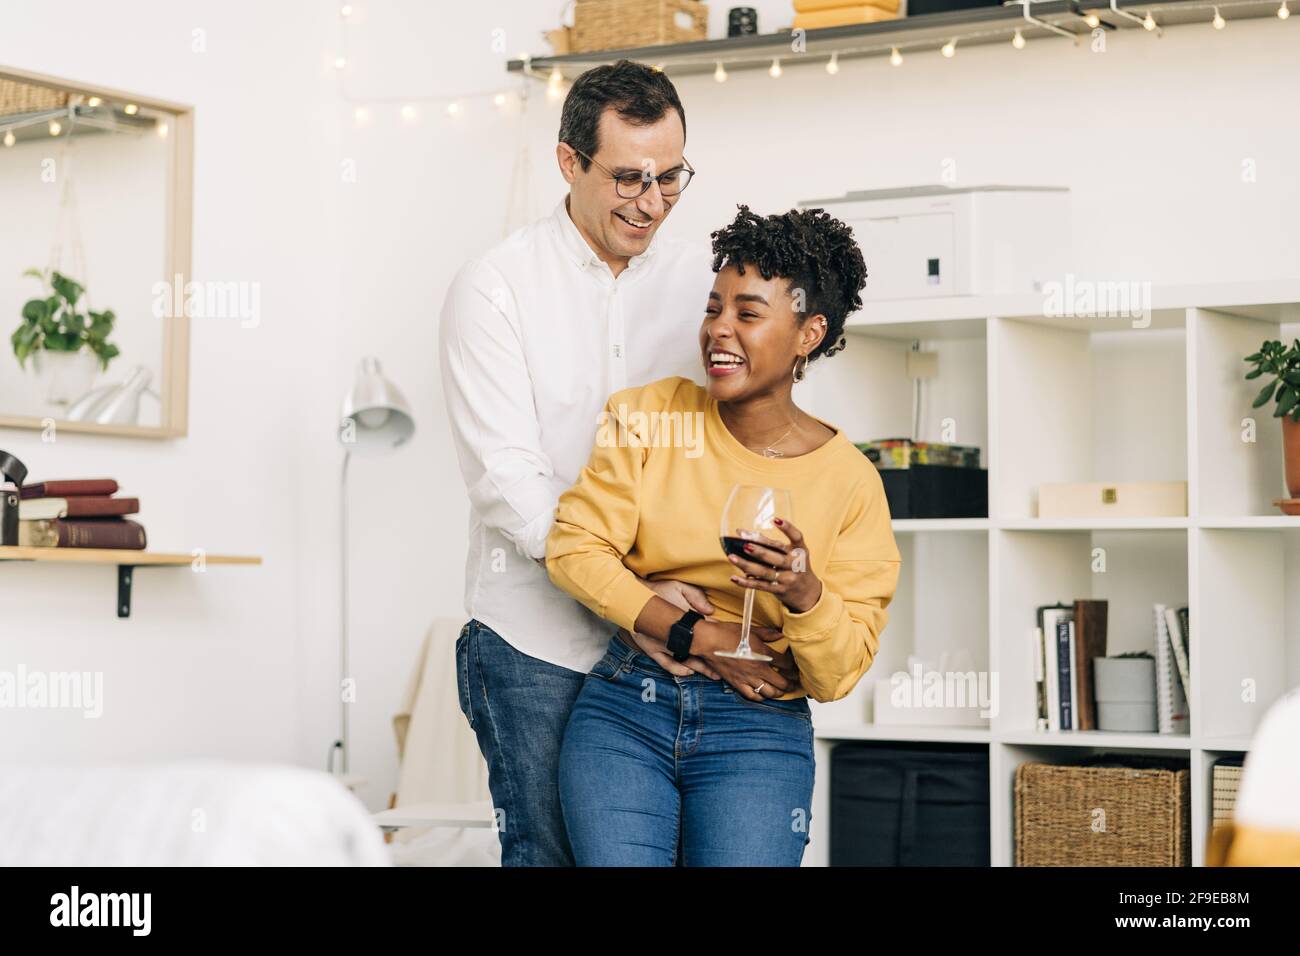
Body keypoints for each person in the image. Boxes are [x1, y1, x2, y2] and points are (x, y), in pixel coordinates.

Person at [546, 205, 902, 866]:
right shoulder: (649, 416)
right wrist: (696, 634)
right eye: (714, 308)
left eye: (748, 312)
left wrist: (804, 594)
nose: (718, 331)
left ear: (808, 332)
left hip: (759, 726)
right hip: (627, 707)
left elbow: (838, 671)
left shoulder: (851, 482)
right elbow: (574, 550)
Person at [439, 61, 730, 866]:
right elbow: (509, 482)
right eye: (630, 177)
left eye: (672, 177)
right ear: (569, 163)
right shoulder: (494, 288)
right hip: (538, 646)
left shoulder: (705, 282)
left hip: (683, 630)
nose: (653, 201)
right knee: (554, 856)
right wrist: (635, 595)